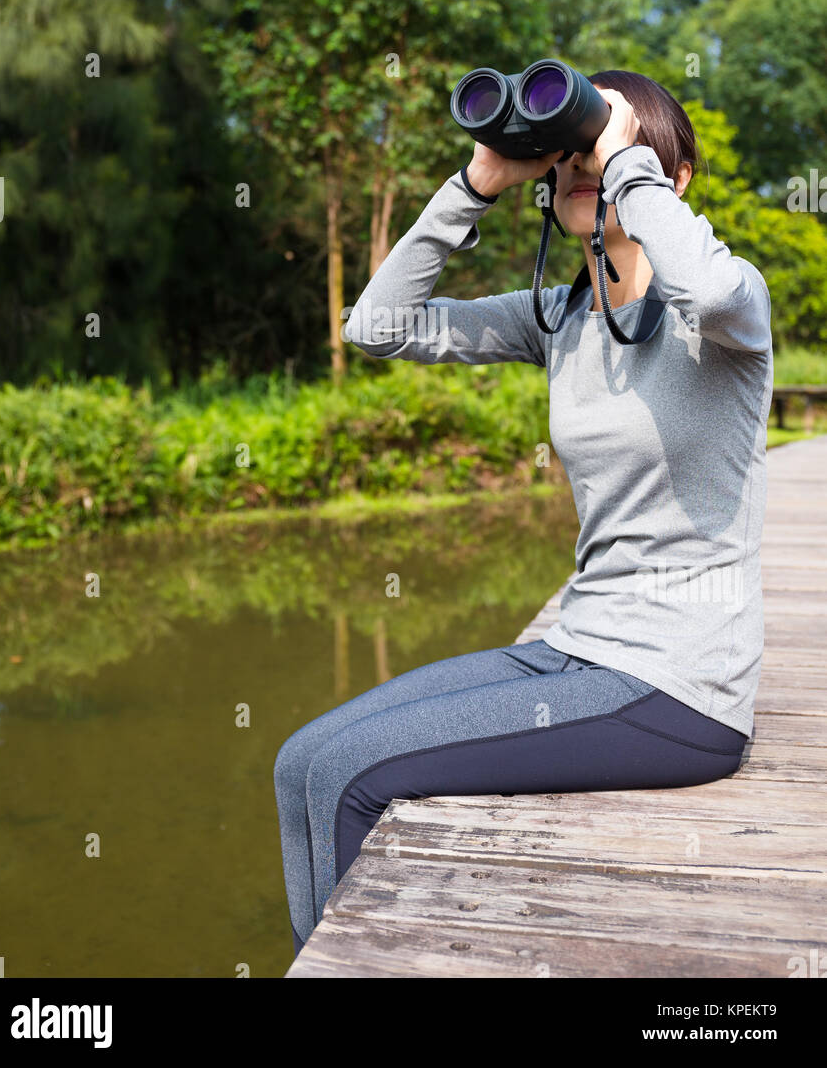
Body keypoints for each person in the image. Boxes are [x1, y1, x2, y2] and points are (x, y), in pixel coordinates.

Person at [273, 70, 773, 958]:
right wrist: (474, 184)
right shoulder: (560, 316)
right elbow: (376, 328)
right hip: (575, 649)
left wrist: (624, 162)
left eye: (611, 146)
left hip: (678, 688)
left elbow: (708, 288)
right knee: (303, 759)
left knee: (355, 776)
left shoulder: (727, 311)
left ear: (677, 178)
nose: (586, 164)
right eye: (573, 153)